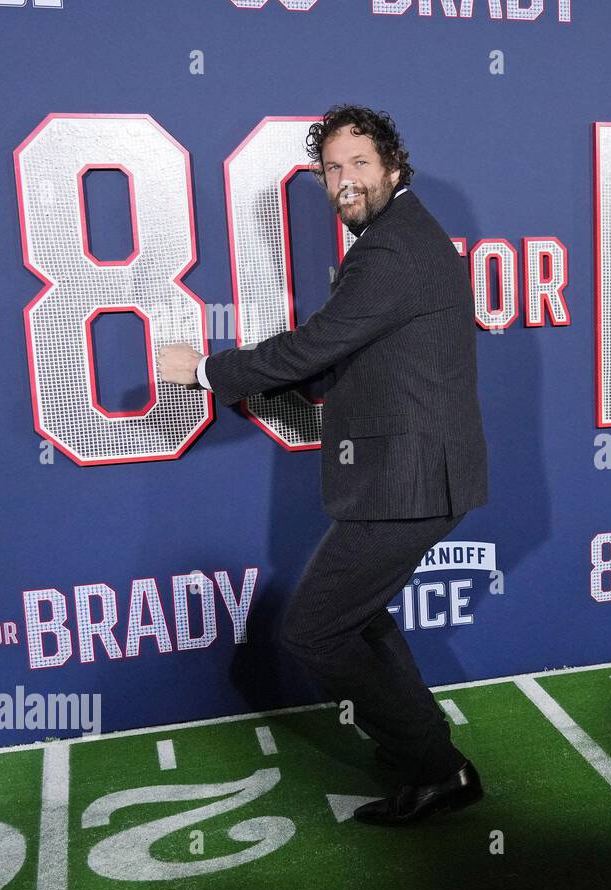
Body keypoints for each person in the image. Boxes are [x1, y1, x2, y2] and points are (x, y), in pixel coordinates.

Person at [158, 105, 488, 825]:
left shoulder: (392, 248)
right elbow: (344, 356)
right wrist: (287, 379)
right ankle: (427, 753)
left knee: (314, 631)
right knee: (360, 616)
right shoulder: (392, 241)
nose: (344, 180)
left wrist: (206, 370)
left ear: (394, 168)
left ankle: (437, 769)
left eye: (359, 164)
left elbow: (316, 345)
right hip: (404, 472)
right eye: (333, 168)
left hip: (409, 478)